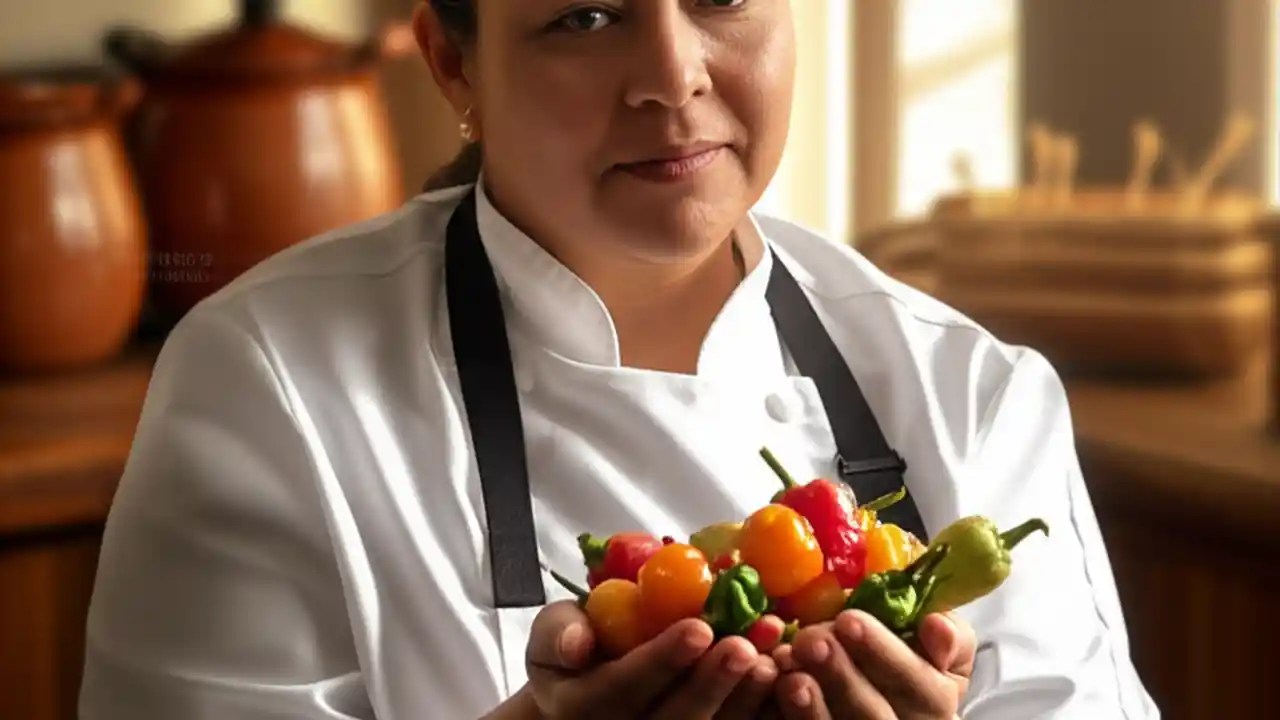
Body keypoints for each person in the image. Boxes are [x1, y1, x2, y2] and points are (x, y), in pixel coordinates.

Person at [78, 1, 1159, 718]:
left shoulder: (971, 396)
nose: (669, 75)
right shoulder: (268, 390)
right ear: (456, 61)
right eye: (584, 13)